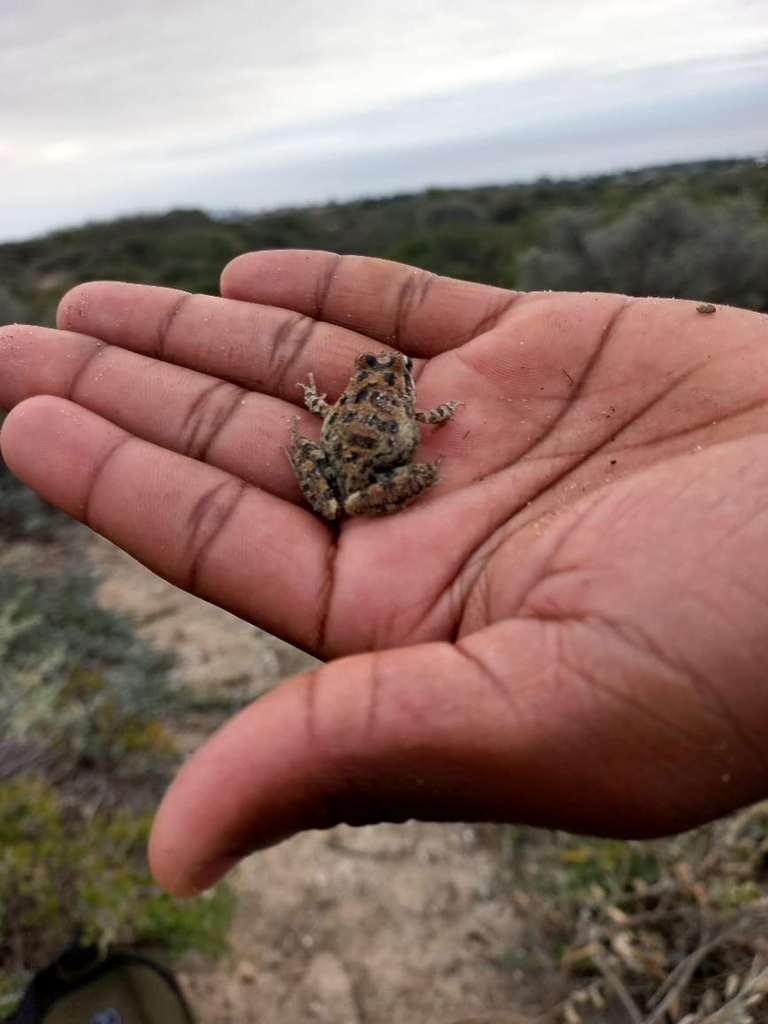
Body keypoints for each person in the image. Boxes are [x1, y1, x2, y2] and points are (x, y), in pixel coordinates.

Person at [1, 250, 767, 900]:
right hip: (368, 472)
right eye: (389, 371)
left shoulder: (358, 401)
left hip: (334, 465)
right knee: (404, 475)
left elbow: (333, 416)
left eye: (387, 371)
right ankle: (358, 494)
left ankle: (340, 493)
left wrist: (323, 417)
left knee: (325, 462)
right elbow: (420, 429)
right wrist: (416, 435)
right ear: (395, 383)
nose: (390, 372)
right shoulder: (406, 402)